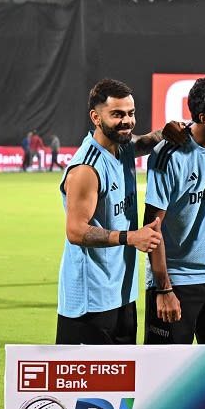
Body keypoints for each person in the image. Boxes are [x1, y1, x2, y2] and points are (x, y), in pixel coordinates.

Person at [56, 79, 165, 344]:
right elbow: (76, 231)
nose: (126, 121)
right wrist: (131, 237)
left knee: (122, 381)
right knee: (86, 383)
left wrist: (168, 132)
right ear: (95, 117)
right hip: (91, 300)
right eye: (117, 114)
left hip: (122, 293)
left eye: (130, 113)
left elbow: (146, 141)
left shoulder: (123, 148)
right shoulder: (87, 169)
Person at [142, 77, 205, 344]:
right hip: (175, 281)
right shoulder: (169, 154)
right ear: (204, 118)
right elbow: (152, 228)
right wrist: (164, 289)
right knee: (164, 370)